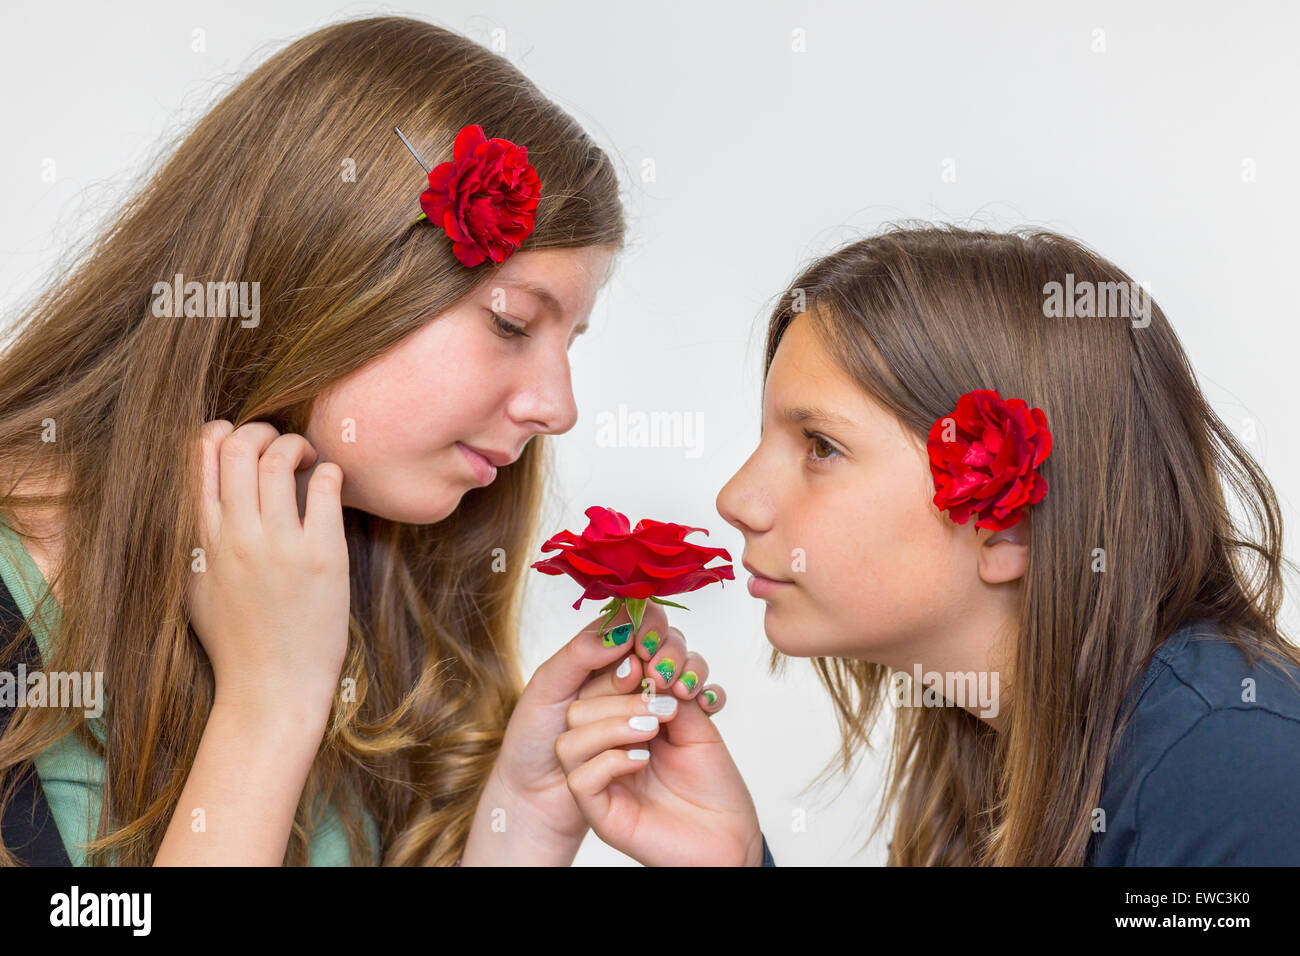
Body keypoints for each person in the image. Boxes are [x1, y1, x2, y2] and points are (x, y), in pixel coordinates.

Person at [0, 15, 728, 867]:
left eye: (572, 342)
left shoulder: (375, 572)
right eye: (511, 322)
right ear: (331, 270)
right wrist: (271, 705)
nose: (557, 408)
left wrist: (521, 823)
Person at [557, 224, 1300, 866]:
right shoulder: (979, 751)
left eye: (819, 445)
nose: (736, 500)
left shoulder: (1229, 759)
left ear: (1005, 516)